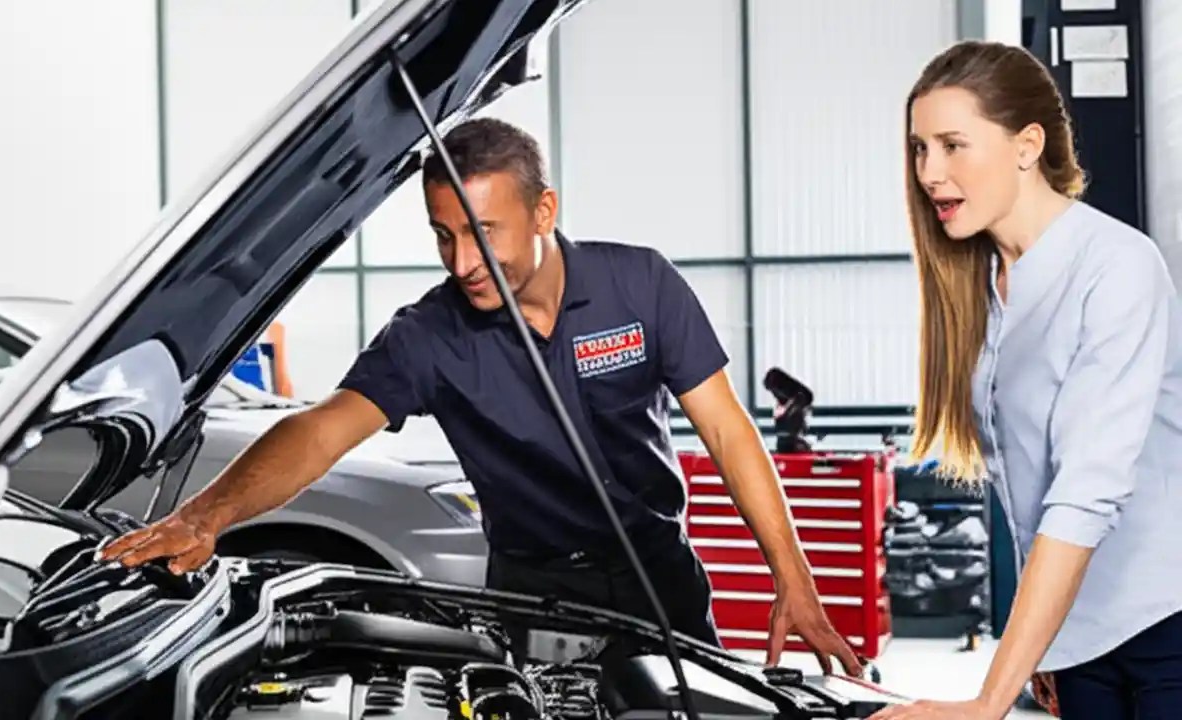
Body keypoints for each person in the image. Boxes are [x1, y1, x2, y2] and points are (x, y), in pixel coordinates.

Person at [97, 117, 863, 676]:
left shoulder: (643, 285)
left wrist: (794, 582)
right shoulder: (428, 337)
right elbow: (322, 431)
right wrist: (206, 516)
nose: (463, 262)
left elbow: (729, 434)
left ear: (545, 211)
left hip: (660, 578)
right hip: (533, 594)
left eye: (484, 233)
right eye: (443, 235)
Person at [870, 40, 1182, 720]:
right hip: (1078, 640)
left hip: (1166, 628)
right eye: (920, 148)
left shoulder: (1117, 266)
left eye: (953, 145)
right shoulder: (980, 288)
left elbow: (1083, 494)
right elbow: (1025, 500)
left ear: (1026, 144)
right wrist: (1043, 648)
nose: (929, 171)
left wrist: (991, 696)